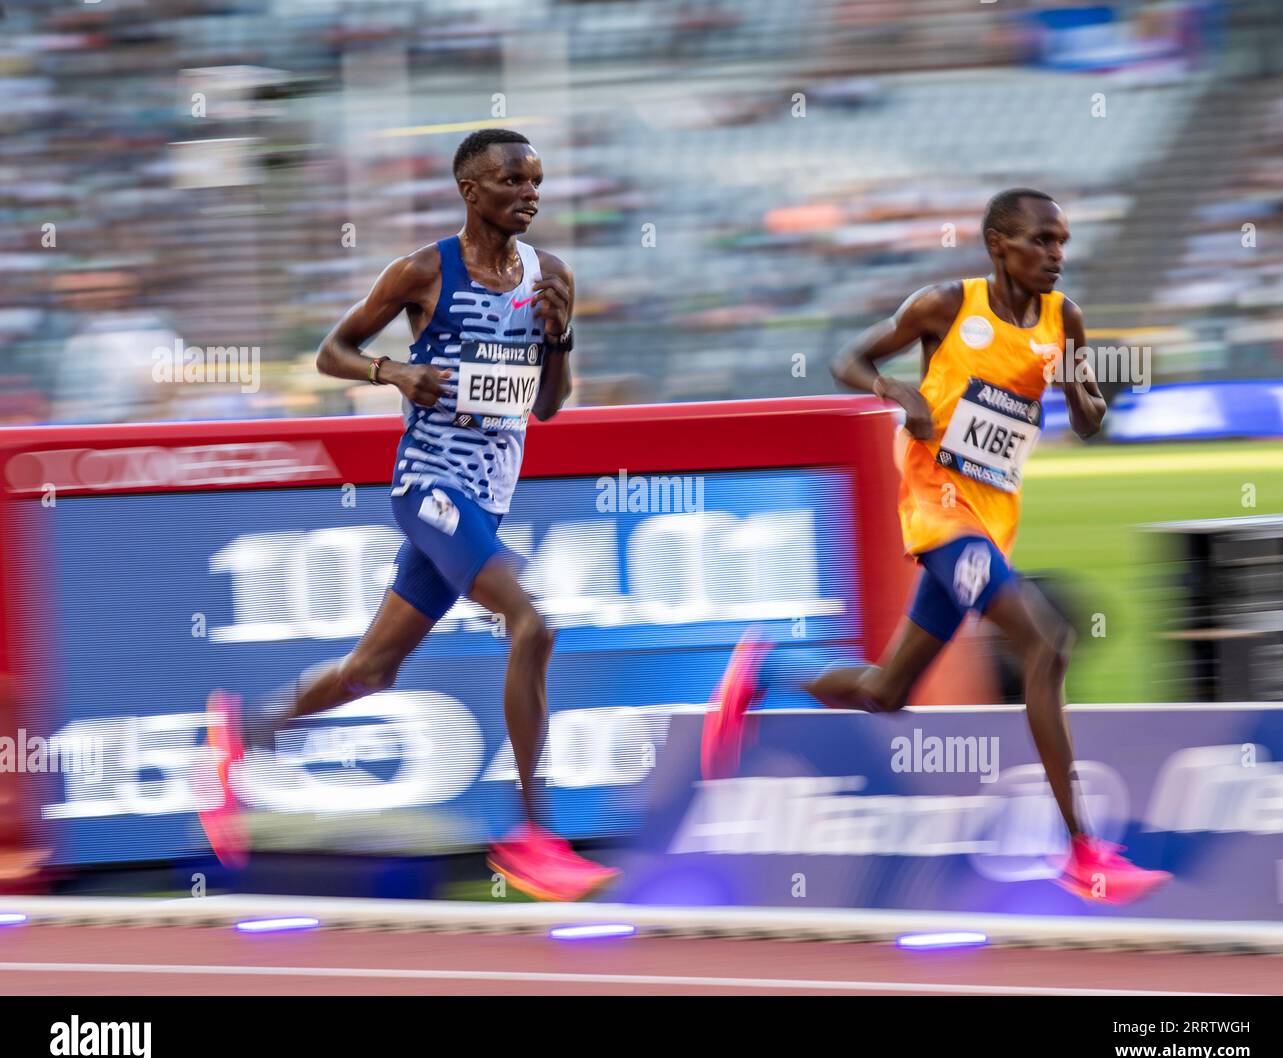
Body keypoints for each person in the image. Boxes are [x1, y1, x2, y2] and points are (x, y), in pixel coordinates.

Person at [701, 188, 1170, 906]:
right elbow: (847, 358)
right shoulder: (945, 306)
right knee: (1049, 644)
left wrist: (1084, 392)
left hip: (992, 520)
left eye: (1062, 241)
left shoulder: (1062, 318)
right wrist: (899, 393)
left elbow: (1087, 421)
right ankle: (1082, 849)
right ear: (997, 246)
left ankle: (768, 663)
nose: (1056, 255)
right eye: (1041, 241)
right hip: (940, 512)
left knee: (887, 692)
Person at [199, 129, 618, 902]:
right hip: (429, 485)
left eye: (538, 181)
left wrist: (560, 335)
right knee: (534, 624)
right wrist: (393, 370)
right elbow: (333, 350)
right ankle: (531, 835)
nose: (530, 193)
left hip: (488, 497)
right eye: (512, 181)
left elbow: (550, 408)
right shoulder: (425, 271)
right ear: (470, 190)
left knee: (371, 670)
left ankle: (239, 736)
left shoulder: (553, 276)